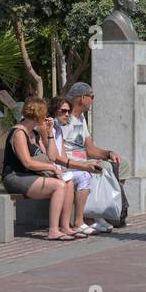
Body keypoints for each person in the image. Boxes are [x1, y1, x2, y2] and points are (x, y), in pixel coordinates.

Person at [2, 99, 81, 241]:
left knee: (67, 181)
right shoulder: (19, 133)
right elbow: (27, 163)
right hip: (15, 177)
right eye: (44, 114)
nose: (46, 117)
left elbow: (51, 156)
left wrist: (50, 133)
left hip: (29, 176)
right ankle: (53, 230)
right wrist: (51, 168)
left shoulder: (34, 133)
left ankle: (65, 226)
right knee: (59, 185)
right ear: (37, 114)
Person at [63, 82, 121, 233]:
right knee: (102, 168)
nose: (93, 100)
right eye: (92, 96)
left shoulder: (81, 118)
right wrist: (81, 162)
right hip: (71, 162)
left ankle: (105, 210)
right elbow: (58, 149)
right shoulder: (64, 116)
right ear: (82, 98)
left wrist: (108, 153)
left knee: (120, 163)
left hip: (83, 159)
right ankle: (91, 215)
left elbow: (90, 148)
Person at [43, 96, 104, 235]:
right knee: (81, 176)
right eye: (63, 111)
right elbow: (54, 157)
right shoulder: (48, 129)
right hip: (49, 170)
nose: (67, 114)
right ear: (53, 111)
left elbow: (63, 157)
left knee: (95, 172)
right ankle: (77, 222)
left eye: (68, 111)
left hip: (60, 168)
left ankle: (95, 217)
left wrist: (83, 165)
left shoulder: (58, 129)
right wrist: (82, 166)